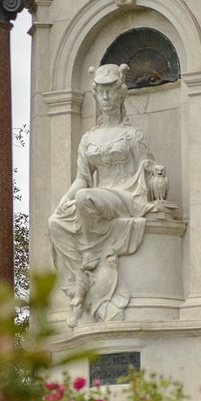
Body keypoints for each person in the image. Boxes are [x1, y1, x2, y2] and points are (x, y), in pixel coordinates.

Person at [49, 64, 176, 327]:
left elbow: (145, 170)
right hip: (97, 196)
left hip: (126, 195)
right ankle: (80, 281)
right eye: (101, 92)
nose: (106, 98)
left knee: (85, 198)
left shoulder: (132, 135)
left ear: (121, 94)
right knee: (55, 222)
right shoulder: (88, 139)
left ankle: (89, 256)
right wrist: (65, 199)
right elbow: (82, 178)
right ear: (95, 95)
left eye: (110, 92)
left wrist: (157, 181)